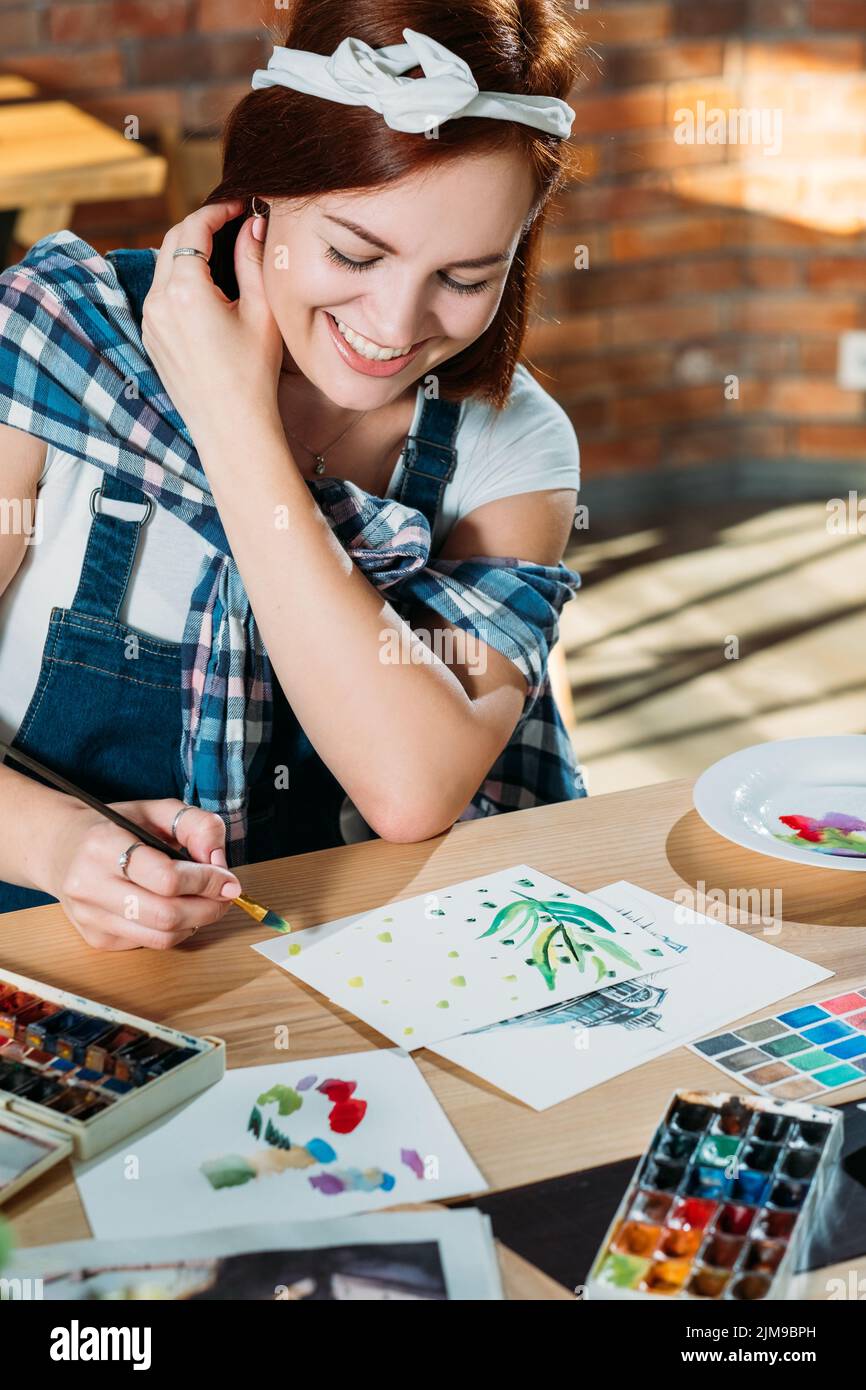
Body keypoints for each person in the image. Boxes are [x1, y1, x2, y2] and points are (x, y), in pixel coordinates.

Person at [0, 1, 585, 949]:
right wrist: (60, 846)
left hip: (352, 962)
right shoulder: (58, 342)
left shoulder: (513, 447)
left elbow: (410, 787)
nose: (396, 327)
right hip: (42, 945)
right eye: (356, 253)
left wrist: (232, 420)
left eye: (468, 277)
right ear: (253, 202)